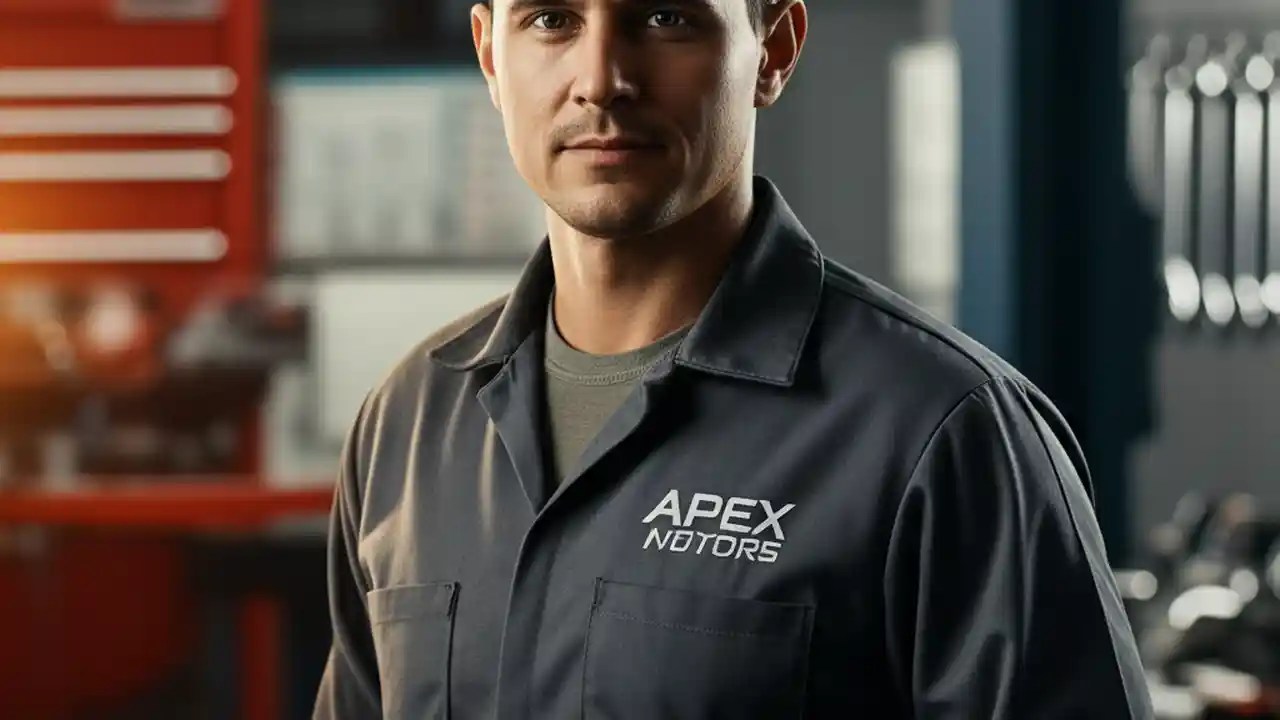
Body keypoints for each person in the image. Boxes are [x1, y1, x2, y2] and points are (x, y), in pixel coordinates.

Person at [313, 0, 1154, 717]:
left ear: (773, 49)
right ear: (491, 53)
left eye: (664, 17)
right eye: (552, 20)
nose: (601, 79)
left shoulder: (943, 433)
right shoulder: (410, 422)